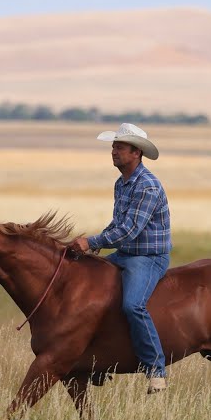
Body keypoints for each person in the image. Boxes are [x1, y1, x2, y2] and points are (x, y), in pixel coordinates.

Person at [71, 123, 172, 394]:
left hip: (148, 258)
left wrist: (91, 242)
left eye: (119, 147)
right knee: (90, 291)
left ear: (136, 153)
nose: (113, 151)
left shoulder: (147, 186)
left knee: (132, 306)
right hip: (125, 254)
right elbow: (118, 224)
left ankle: (156, 370)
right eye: (113, 146)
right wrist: (92, 247)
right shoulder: (122, 183)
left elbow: (129, 230)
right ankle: (100, 361)